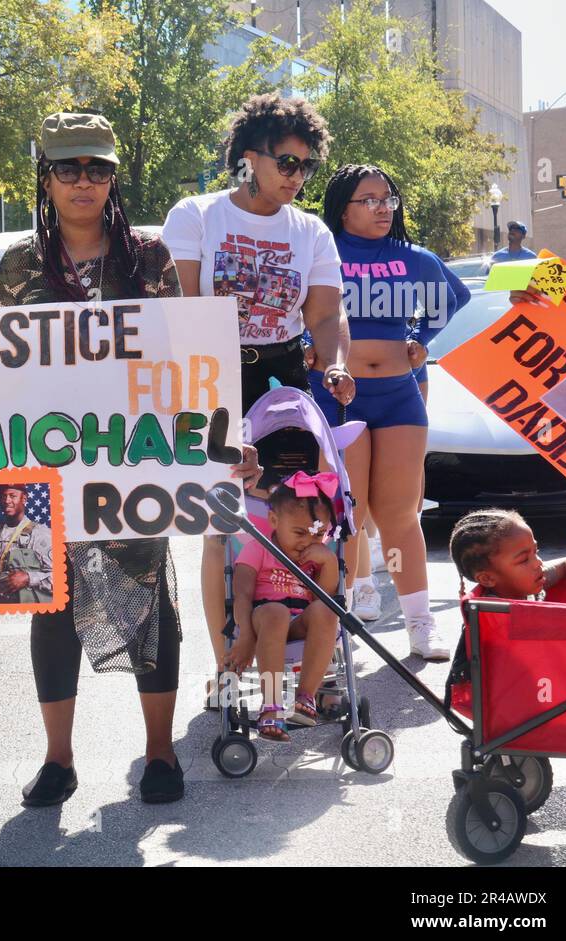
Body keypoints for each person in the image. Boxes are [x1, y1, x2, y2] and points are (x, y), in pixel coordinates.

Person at [0, 111, 263, 806]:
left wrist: (218, 441)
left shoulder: (149, 256)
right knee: (50, 604)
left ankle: (160, 751)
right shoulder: (18, 264)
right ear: (45, 177)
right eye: (69, 168)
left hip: (131, 460)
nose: (84, 181)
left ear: (113, 177)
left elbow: (178, 365)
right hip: (48, 466)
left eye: (97, 168)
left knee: (150, 602)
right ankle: (58, 759)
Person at [161, 93, 352, 705]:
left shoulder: (312, 230)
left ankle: (304, 663)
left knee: (302, 519)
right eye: (288, 163)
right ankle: (227, 667)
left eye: (306, 167)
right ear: (250, 160)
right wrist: (208, 401)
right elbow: (182, 312)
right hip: (212, 373)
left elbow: (325, 313)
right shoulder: (196, 216)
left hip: (285, 380)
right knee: (221, 523)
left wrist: (337, 362)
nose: (298, 177)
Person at [314, 164, 470, 659]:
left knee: (401, 514)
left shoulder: (414, 258)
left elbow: (456, 296)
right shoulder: (323, 252)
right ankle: (344, 611)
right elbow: (300, 308)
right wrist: (305, 345)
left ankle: (420, 624)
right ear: (343, 207)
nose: (384, 208)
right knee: (348, 513)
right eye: (370, 200)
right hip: (339, 396)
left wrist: (420, 339)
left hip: (400, 395)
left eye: (388, 199)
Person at [230, 474, 340, 741]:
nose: (307, 542)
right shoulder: (258, 549)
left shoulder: (317, 555)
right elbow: (241, 594)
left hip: (299, 621)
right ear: (274, 522)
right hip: (263, 619)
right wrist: (245, 634)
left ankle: (306, 697)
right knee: (276, 612)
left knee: (328, 610)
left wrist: (329, 564)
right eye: (300, 533)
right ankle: (271, 706)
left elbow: (322, 598)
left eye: (319, 534)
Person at [450, 509, 566, 602]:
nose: (538, 563)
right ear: (487, 579)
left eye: (535, 551)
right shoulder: (488, 611)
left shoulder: (533, 579)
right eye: (524, 559)